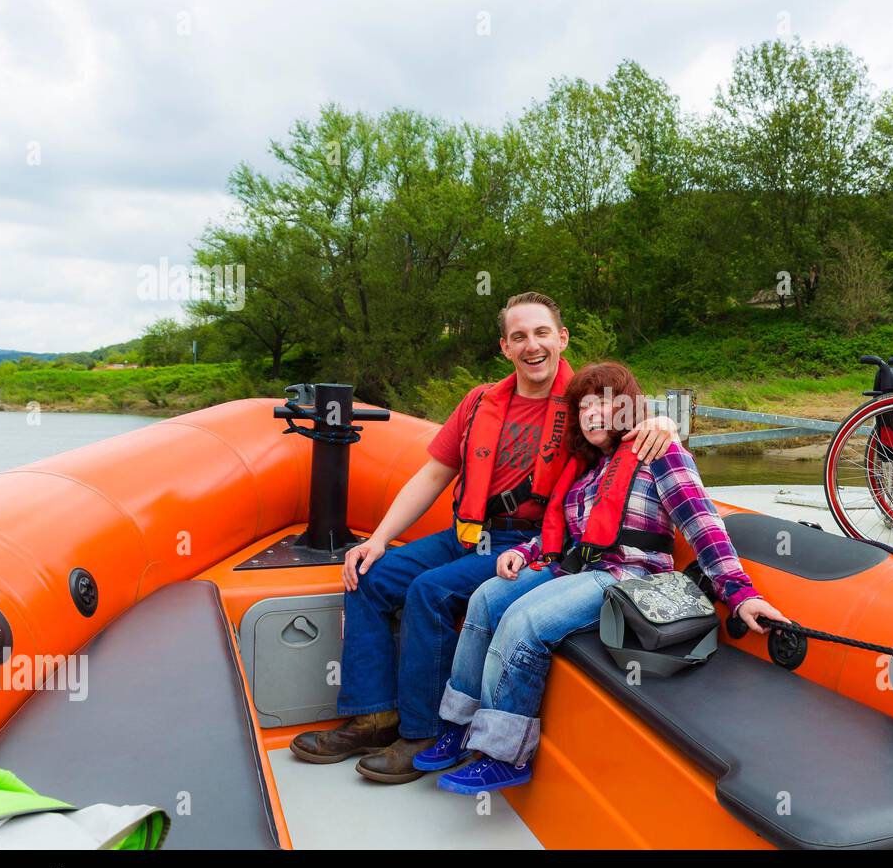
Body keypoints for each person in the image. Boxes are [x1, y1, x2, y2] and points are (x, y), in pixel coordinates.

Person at [290, 294, 679, 782]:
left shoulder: (587, 401)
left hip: (531, 544)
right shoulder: (479, 402)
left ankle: (423, 731)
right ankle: (374, 716)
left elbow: (629, 428)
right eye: (519, 337)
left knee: (428, 592)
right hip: (467, 534)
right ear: (505, 347)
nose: (531, 345)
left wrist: (663, 421)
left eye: (541, 333)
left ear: (561, 338)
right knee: (372, 576)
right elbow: (433, 474)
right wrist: (379, 539)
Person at [417, 361, 789, 793]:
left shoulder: (659, 451)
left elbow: (701, 524)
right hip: (575, 571)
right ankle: (458, 725)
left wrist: (741, 594)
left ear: (629, 410)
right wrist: (524, 550)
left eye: (605, 403)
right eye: (584, 406)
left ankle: (504, 754)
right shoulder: (587, 472)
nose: (593, 413)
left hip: (627, 579)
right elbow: (564, 537)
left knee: (524, 619)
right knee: (487, 596)